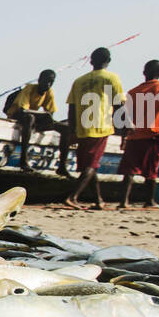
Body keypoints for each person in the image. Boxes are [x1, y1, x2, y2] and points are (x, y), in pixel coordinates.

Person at [64, 47, 125, 209]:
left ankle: (99, 200)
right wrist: (126, 126)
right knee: (91, 166)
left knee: (89, 166)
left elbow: (71, 107)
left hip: (82, 128)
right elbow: (119, 104)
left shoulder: (79, 81)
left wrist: (72, 130)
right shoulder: (112, 78)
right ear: (109, 61)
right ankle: (72, 197)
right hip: (100, 125)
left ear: (91, 61)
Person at [116, 60, 159, 208]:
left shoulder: (132, 92)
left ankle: (123, 202)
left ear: (144, 72)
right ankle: (149, 201)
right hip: (153, 135)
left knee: (129, 171)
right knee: (151, 170)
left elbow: (126, 116)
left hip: (133, 135)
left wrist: (124, 137)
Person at [3, 69, 57, 170]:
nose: (48, 84)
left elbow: (51, 112)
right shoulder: (30, 88)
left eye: (51, 82)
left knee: (58, 124)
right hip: (17, 113)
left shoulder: (49, 92)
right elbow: (23, 109)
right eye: (46, 81)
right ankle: (23, 159)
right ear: (39, 80)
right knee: (30, 118)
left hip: (30, 115)